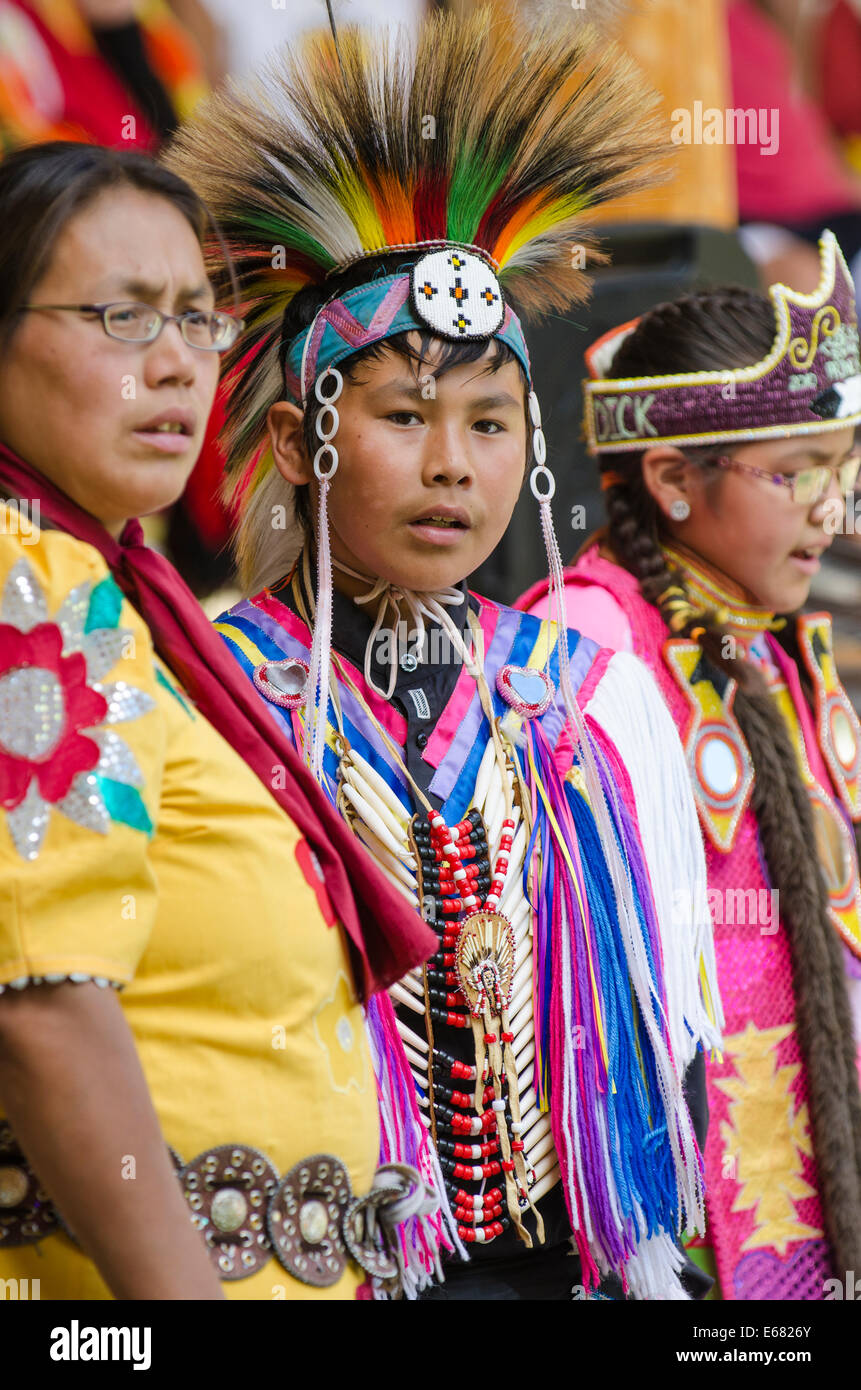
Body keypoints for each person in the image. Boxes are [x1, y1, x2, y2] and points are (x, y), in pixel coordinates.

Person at [169, 4, 724, 1299]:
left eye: (488, 423)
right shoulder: (219, 690)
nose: (449, 468)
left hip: (547, 1258)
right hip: (318, 1254)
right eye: (405, 414)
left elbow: (649, 1030)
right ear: (311, 439)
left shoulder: (577, 693)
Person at [0, 140, 437, 1301]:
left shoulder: (133, 601)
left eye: (199, 319)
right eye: (123, 316)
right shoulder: (29, 580)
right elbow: (43, 1002)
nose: (181, 365)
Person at [519, 232, 861, 1299]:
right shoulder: (591, 649)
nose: (832, 511)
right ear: (669, 477)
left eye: (844, 472)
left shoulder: (762, 631)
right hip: (679, 1214)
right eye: (797, 473)